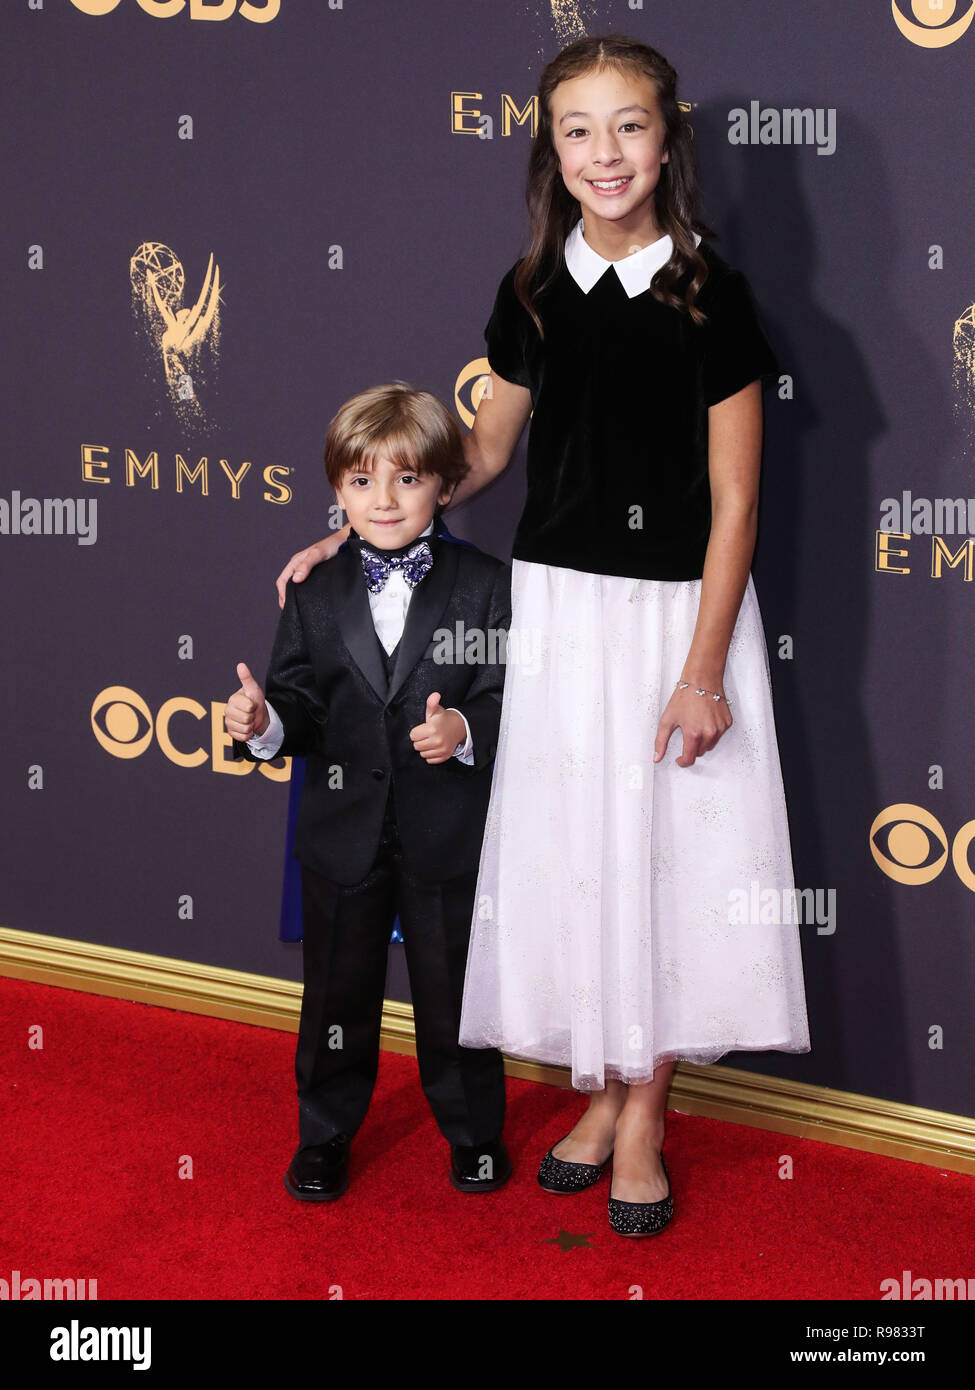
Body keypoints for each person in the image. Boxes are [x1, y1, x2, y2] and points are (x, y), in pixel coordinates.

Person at [274, 34, 811, 1237]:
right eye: (579, 129)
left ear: (666, 141)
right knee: (586, 860)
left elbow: (737, 503)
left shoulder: (708, 292)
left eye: (629, 126)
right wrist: (354, 529)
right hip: (557, 615)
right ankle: (603, 1090)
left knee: (665, 864)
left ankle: (646, 1116)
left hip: (674, 619)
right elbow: (486, 457)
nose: (604, 153)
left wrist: (701, 672)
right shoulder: (533, 290)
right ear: (549, 148)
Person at [226, 383, 512, 1202]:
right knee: (335, 994)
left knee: (453, 988)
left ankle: (471, 1131)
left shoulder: (487, 585)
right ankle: (323, 1134)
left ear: (446, 486)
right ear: (335, 490)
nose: (382, 500)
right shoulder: (311, 589)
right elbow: (299, 706)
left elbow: (509, 697)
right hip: (343, 828)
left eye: (406, 479)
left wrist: (462, 730)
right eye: (360, 481)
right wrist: (262, 724)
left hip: (447, 829)